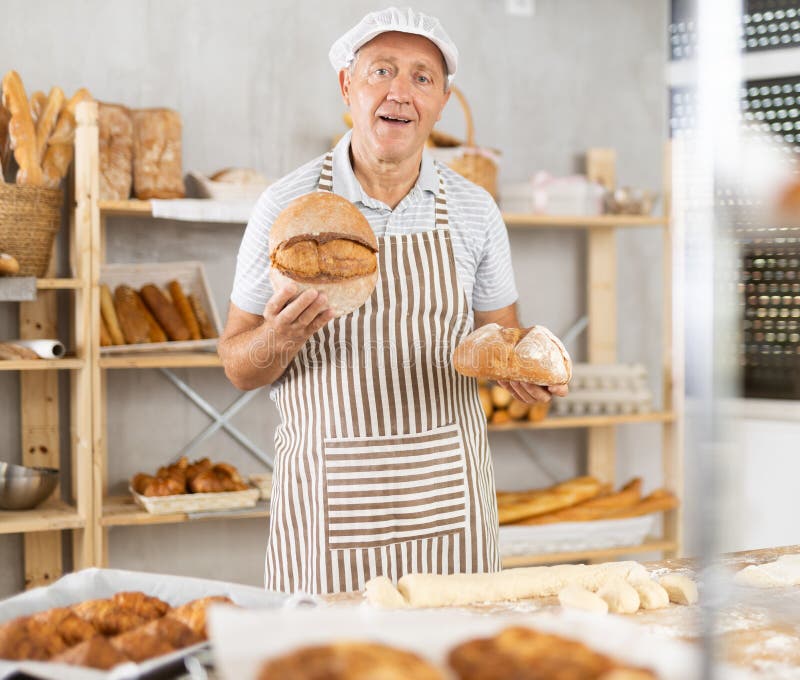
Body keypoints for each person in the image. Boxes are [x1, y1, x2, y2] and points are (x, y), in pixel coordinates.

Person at [219, 6, 568, 595]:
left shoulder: (474, 209)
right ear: (347, 85)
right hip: (330, 507)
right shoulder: (285, 206)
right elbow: (235, 364)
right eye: (381, 70)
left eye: (422, 77)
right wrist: (277, 339)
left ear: (443, 101)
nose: (400, 92)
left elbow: (503, 339)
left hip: (448, 506)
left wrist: (526, 375)